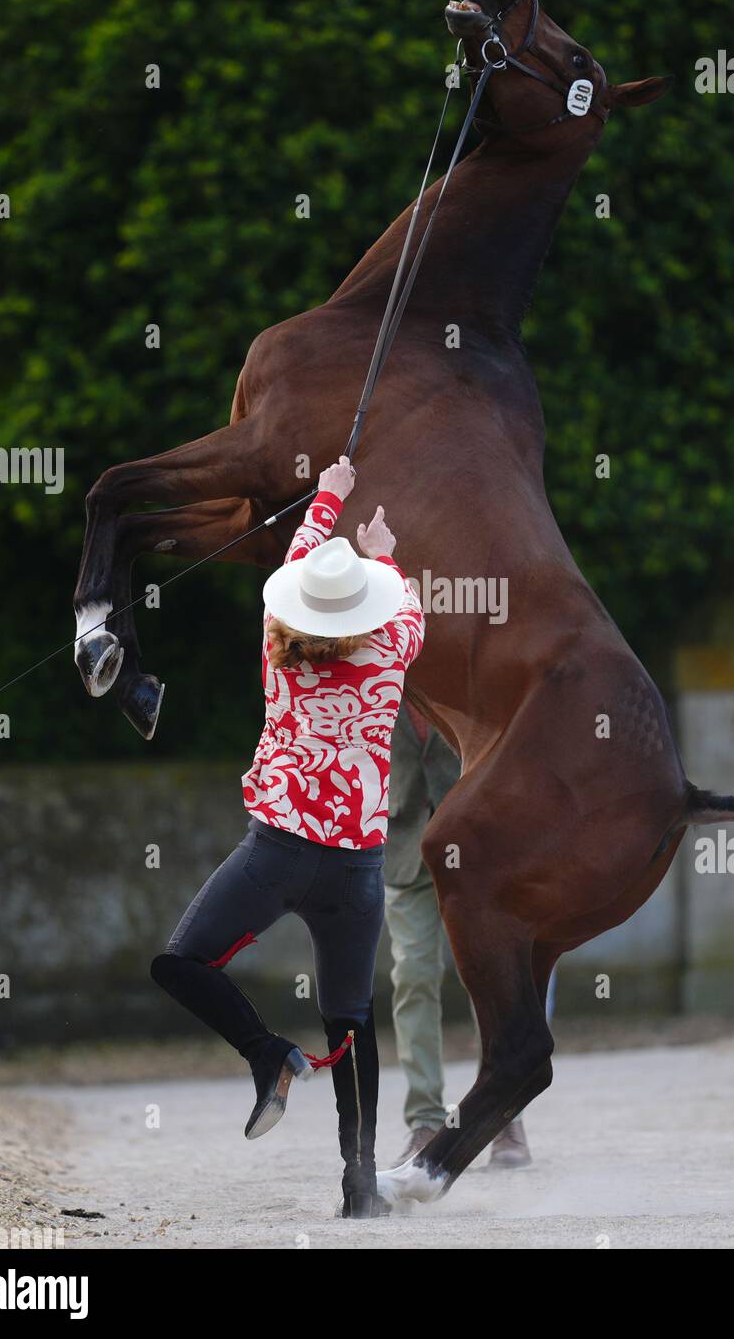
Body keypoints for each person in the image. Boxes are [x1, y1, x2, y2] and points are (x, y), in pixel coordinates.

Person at [150, 456, 424, 1219]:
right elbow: (404, 602)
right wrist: (382, 551)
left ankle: (264, 1051)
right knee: (352, 1020)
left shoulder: (277, 646)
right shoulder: (393, 649)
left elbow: (299, 557)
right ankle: (359, 1185)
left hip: (276, 852)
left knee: (179, 961)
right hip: (357, 870)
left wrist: (330, 493)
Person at [385, 699, 542, 1169]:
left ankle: (501, 1115)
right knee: (412, 976)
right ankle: (424, 1122)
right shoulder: (373, 661)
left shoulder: (466, 664)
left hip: (474, 849)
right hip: (403, 844)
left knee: (492, 982)